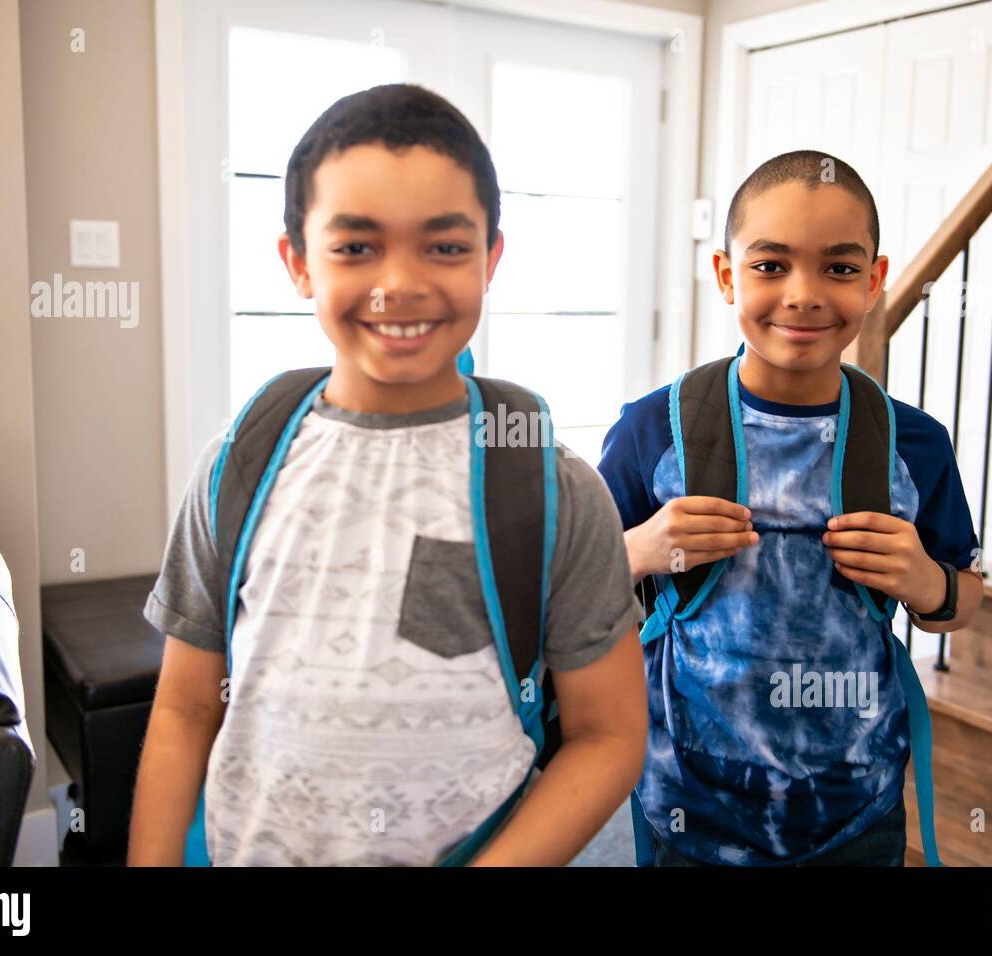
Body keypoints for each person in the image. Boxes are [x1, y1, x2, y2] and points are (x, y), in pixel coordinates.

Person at [129, 83, 646, 867]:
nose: (399, 282)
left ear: (490, 257)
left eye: (443, 246)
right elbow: (185, 706)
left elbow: (608, 735)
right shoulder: (240, 462)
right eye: (356, 246)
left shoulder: (551, 487)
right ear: (298, 262)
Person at [598, 149, 983, 866]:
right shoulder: (655, 431)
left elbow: (961, 601)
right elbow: (571, 594)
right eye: (770, 266)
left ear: (874, 281)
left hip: (857, 808)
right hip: (687, 800)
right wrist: (641, 550)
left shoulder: (915, 444)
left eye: (838, 268)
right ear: (725, 275)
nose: (803, 295)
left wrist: (927, 582)